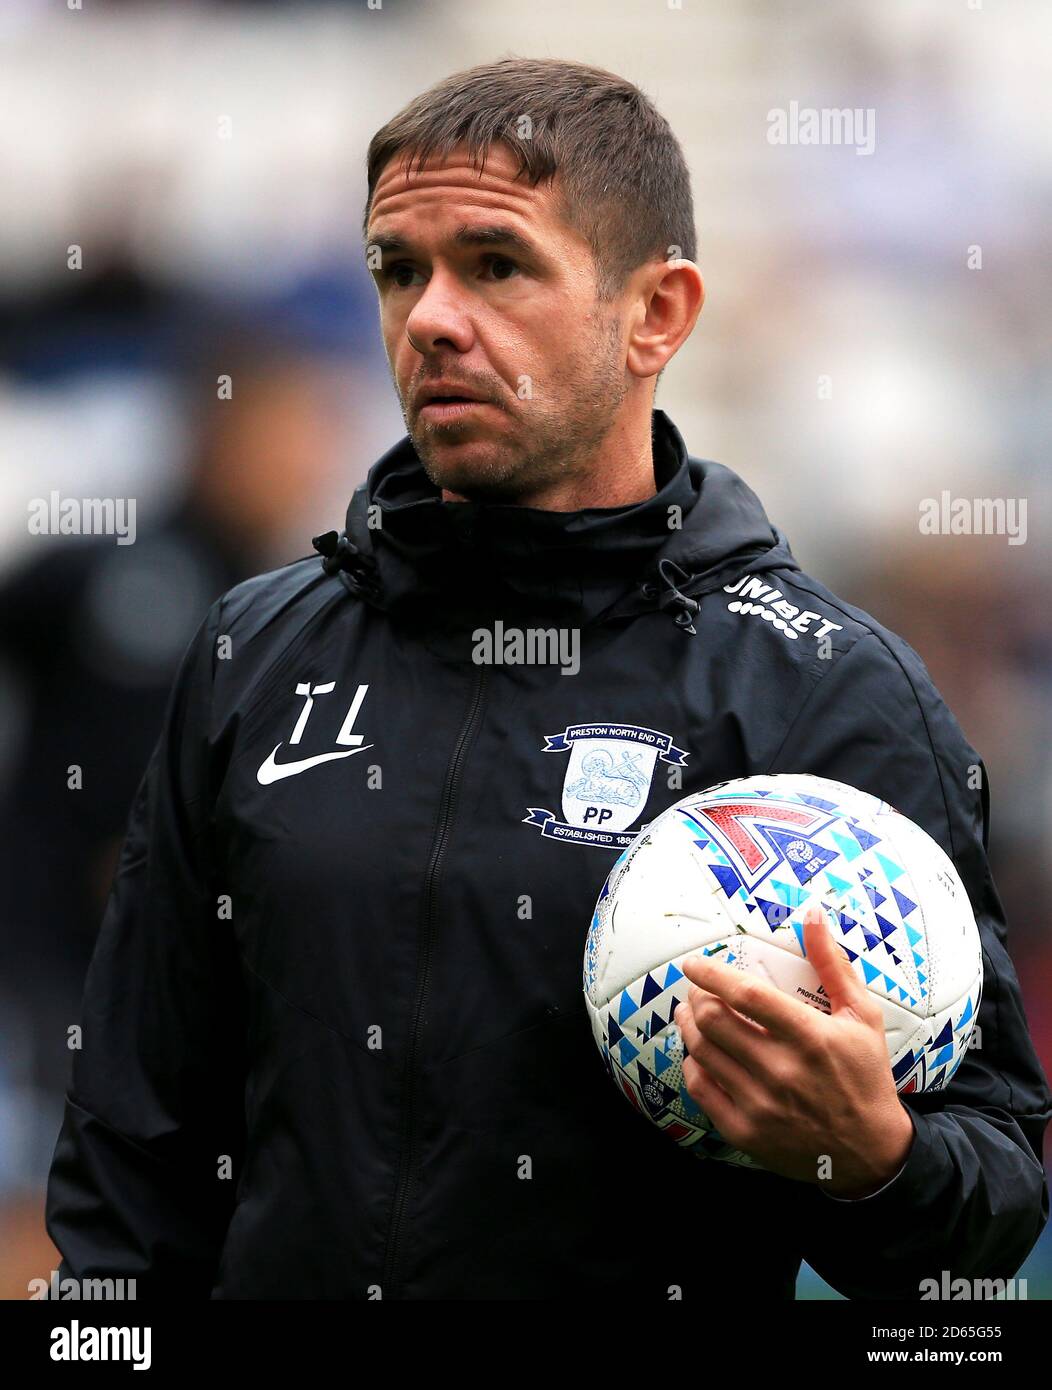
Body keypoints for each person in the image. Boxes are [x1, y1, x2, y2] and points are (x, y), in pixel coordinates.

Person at [45, 56, 1050, 1300]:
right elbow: (133, 1155)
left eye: (495, 264)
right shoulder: (260, 648)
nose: (429, 318)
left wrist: (870, 1156)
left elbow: (991, 1196)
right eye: (397, 270)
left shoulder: (825, 691)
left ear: (656, 314)